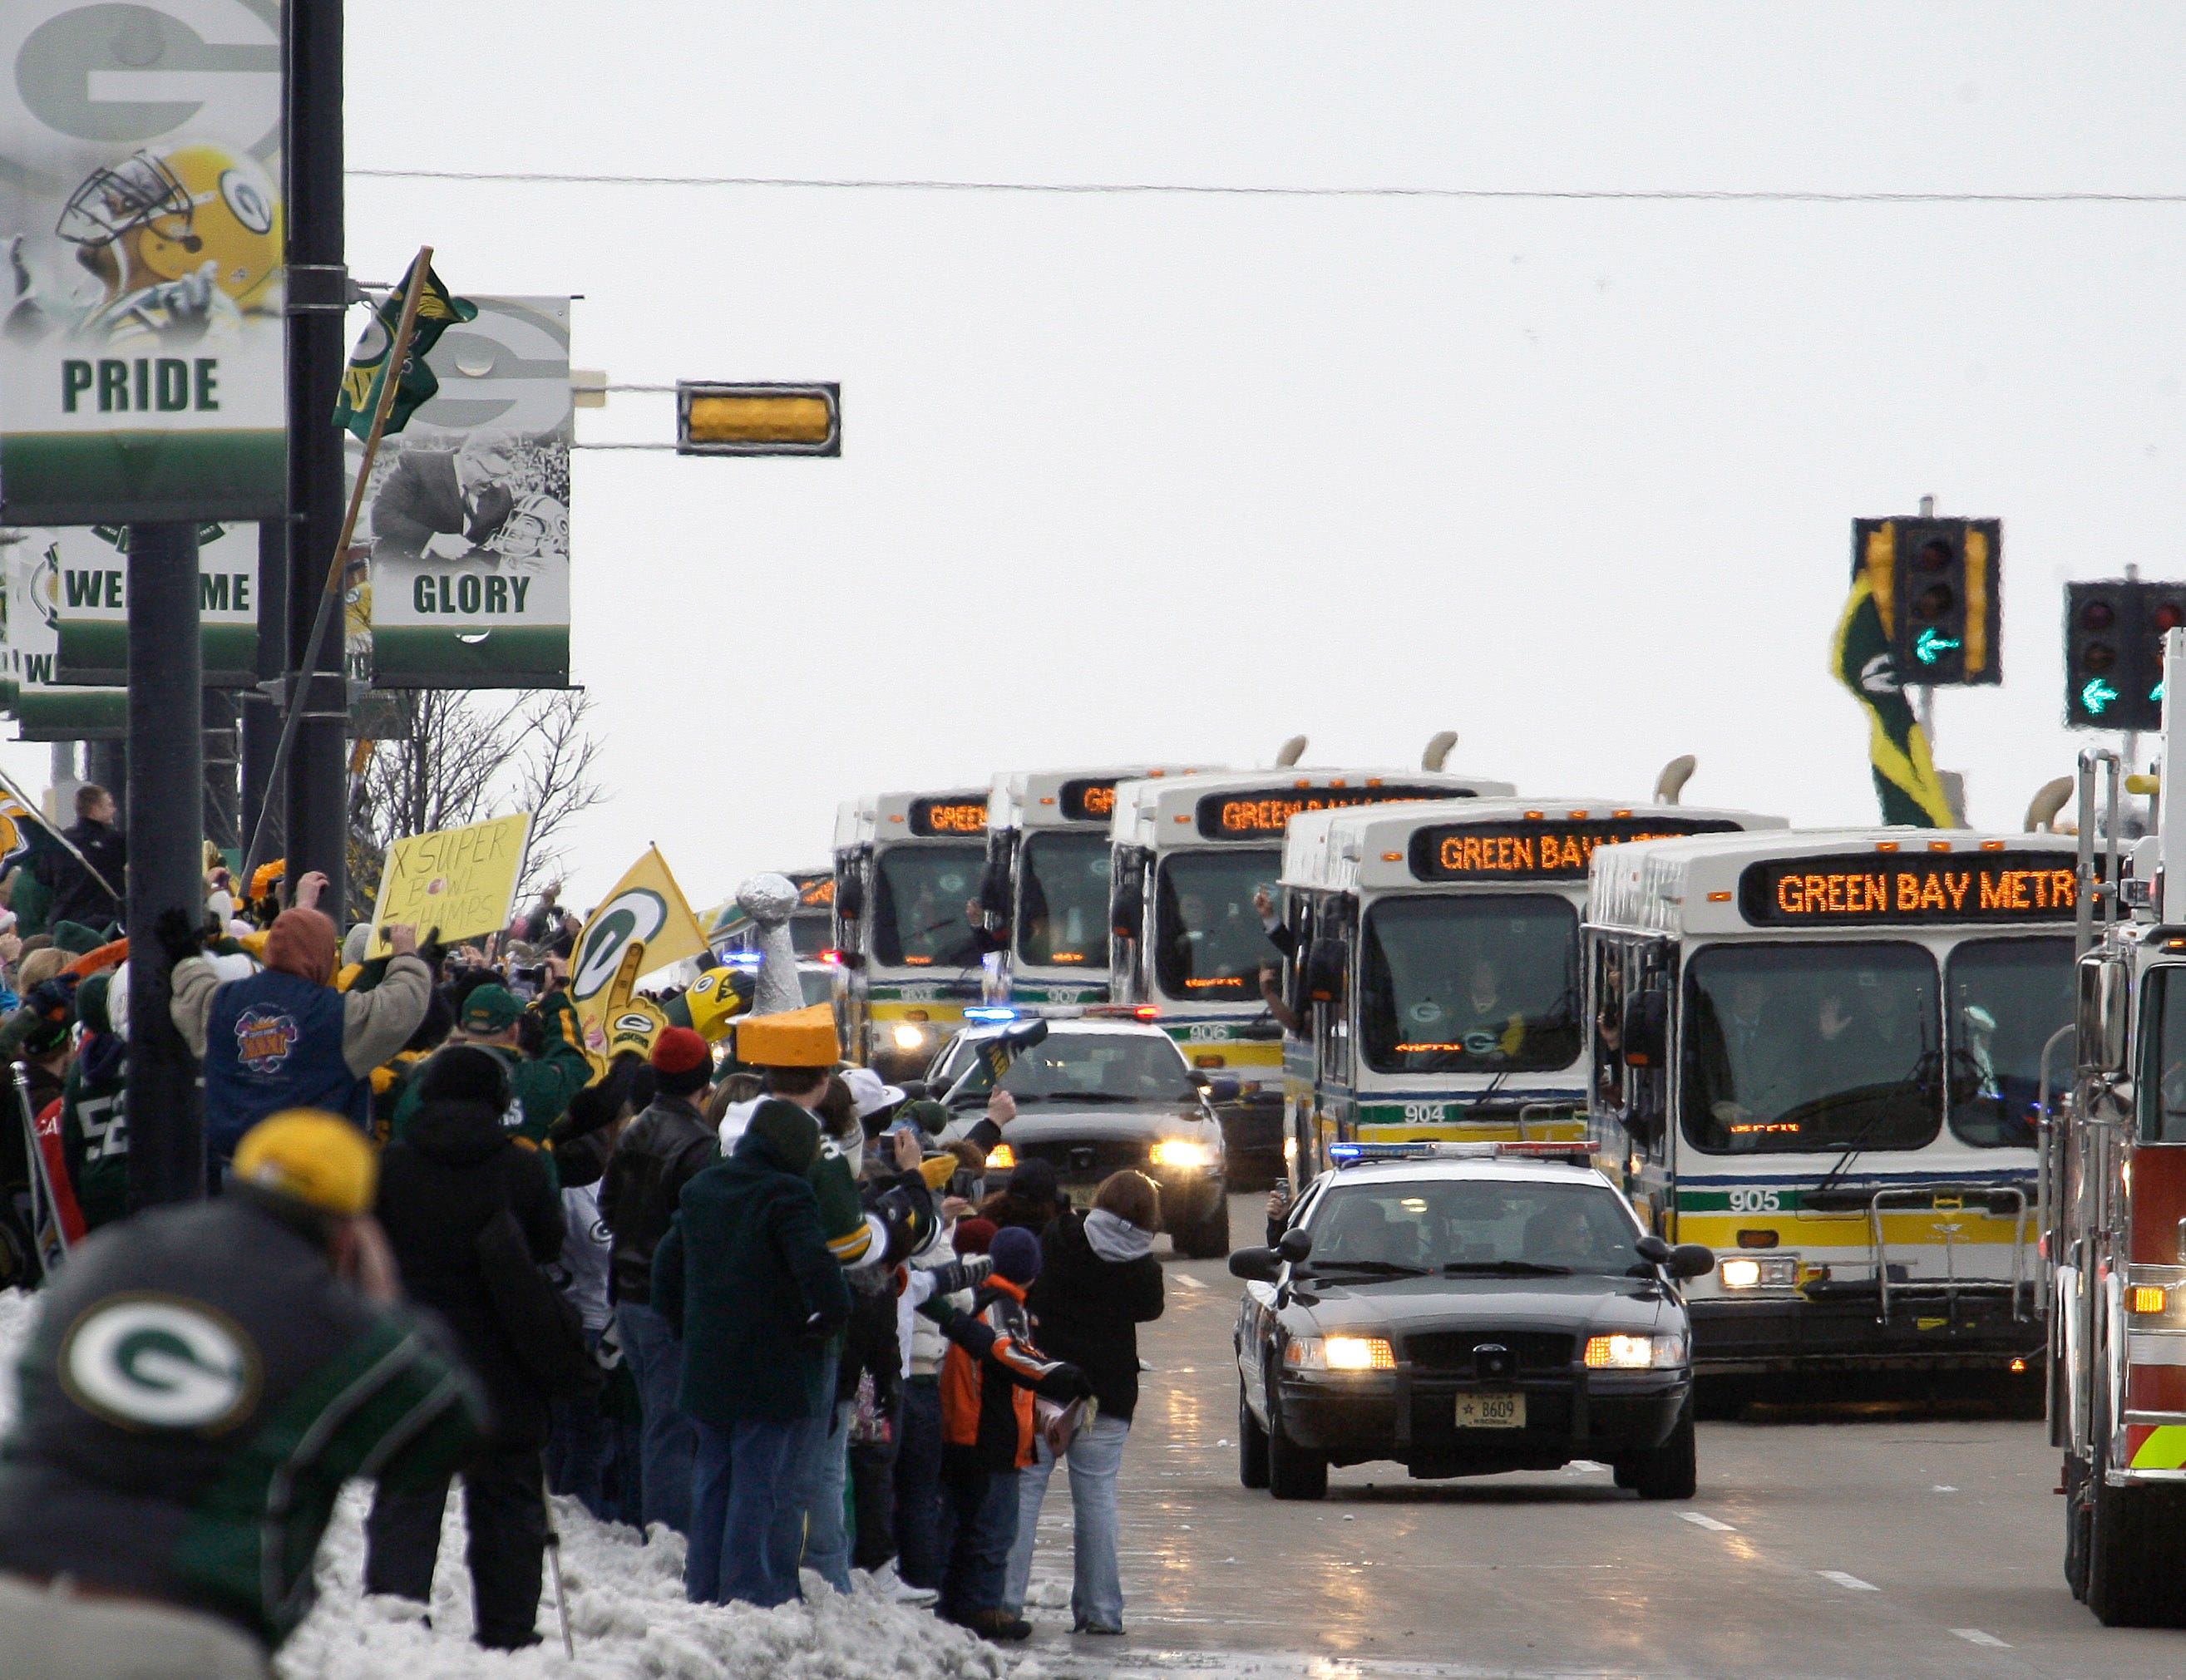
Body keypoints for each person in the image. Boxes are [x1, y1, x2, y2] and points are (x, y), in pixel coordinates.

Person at [0, 1111, 484, 1677]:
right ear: (349, 1232)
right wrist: (385, 1301)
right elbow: (448, 1429)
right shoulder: (328, 1316)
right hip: (179, 1627)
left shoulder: (115, 1254)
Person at [363, 1047, 564, 1651]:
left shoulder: (389, 1168)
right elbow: (548, 1248)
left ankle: (395, 1623)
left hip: (416, 1358)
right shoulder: (521, 1171)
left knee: (408, 1492)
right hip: (503, 1361)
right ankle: (507, 1630)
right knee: (508, 1499)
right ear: (498, 1102)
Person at [655, 1097, 851, 1609]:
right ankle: (746, 1591)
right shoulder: (787, 1193)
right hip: (770, 1363)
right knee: (757, 1482)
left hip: (708, 1363)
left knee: (713, 1476)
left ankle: (704, 1587)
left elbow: (665, 1266)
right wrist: (830, 1317)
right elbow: (816, 1267)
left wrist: (684, 1326)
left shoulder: (702, 1188)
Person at [170, 878, 432, 1170]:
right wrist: (406, 954)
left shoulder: (222, 1001)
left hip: (235, 1170)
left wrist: (185, 953)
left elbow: (191, 983)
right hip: (312, 1178)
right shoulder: (337, 1015)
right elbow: (403, 1003)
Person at [1006, 1170, 1165, 1635]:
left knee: (1026, 1491)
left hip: (1045, 1384)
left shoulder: (1059, 1238)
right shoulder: (1144, 1269)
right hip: (1107, 1394)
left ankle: (1006, 1601)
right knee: (1096, 1498)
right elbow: (1149, 1310)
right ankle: (1101, 1612)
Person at [930, 1224, 1091, 1641]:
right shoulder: (1004, 1306)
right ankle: (984, 1608)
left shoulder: (978, 1296)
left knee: (964, 1523)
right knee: (994, 1528)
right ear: (1031, 1271)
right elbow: (1009, 1354)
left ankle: (954, 1602)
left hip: (966, 1429)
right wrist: (1061, 1374)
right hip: (989, 1434)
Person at [596, 1027, 720, 1537]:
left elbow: (608, 1206)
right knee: (673, 1428)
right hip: (670, 1303)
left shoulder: (635, 1129)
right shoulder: (699, 1143)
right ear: (704, 1080)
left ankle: (658, 1526)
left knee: (656, 1423)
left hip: (627, 1297)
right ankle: (669, 1536)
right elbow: (701, 1233)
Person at [391, 981, 591, 1157]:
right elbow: (572, 1059)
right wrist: (556, 999)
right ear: (515, 1030)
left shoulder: (421, 1076)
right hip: (515, 1194)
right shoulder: (535, 1079)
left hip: (431, 1195)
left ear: (462, 1025)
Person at [368, 433, 520, 564]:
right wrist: (432, 539)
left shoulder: (502, 494)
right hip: (402, 569)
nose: (496, 483)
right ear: (468, 459)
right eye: (492, 475)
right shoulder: (417, 465)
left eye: (501, 476)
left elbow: (492, 551)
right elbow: (381, 516)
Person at [58, 969, 127, 1231]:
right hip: (142, 1181)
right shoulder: (146, 1053)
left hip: (96, 1185)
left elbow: (71, 1143)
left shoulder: (79, 1069)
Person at [34, 784, 125, 934]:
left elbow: (44, 878)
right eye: (109, 805)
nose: (114, 810)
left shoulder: (60, 841)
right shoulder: (115, 843)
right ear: (95, 809)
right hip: (103, 926)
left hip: (63, 923)